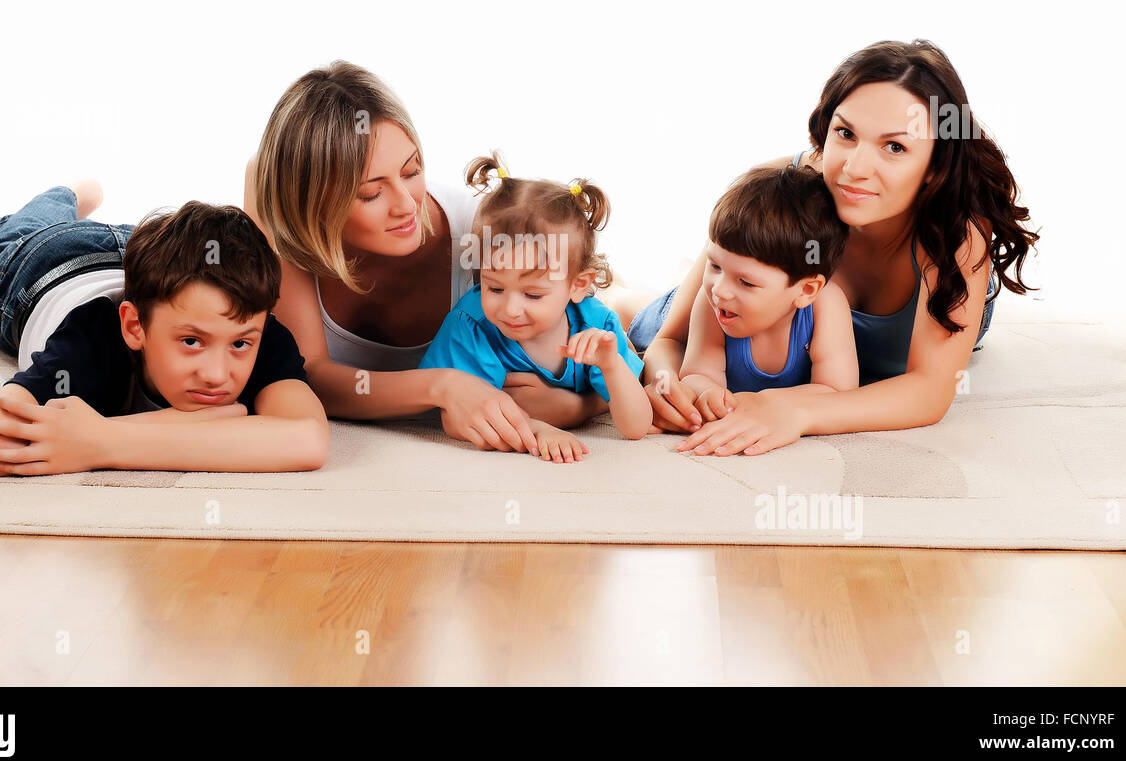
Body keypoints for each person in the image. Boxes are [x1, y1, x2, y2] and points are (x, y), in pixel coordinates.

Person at [623, 39, 1038, 456]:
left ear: (936, 166)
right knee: (641, 323)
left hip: (915, 309)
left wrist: (794, 411)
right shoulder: (787, 195)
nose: (854, 170)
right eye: (845, 133)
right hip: (768, 314)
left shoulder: (957, 232)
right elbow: (668, 340)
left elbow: (930, 391)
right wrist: (666, 386)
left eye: (895, 147)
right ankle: (628, 292)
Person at [244, 62, 605, 455]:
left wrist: (581, 404)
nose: (406, 204)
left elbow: (601, 339)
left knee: (629, 309)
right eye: (371, 193)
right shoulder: (294, 241)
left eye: (412, 171)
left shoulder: (482, 233)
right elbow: (309, 375)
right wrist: (442, 385)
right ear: (310, 205)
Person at [0, 182, 328, 476]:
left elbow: (307, 440)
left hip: (140, 255)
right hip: (48, 263)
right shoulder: (92, 340)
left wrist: (102, 441)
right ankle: (73, 193)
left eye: (241, 345)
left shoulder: (244, 321)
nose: (217, 375)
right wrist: (201, 427)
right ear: (133, 327)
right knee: (5, 242)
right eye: (192, 341)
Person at [418, 154, 651, 461]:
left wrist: (612, 366)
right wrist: (535, 429)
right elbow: (455, 418)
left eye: (533, 294)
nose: (511, 309)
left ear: (578, 286)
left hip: (614, 319)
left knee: (635, 312)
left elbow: (636, 427)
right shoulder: (471, 324)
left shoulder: (597, 327)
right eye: (495, 287)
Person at [671, 164, 858, 453]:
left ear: (805, 291)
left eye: (746, 282)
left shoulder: (826, 306)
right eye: (715, 265)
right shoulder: (714, 299)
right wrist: (707, 394)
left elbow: (838, 390)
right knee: (637, 317)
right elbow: (697, 373)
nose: (720, 287)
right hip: (663, 311)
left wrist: (764, 402)